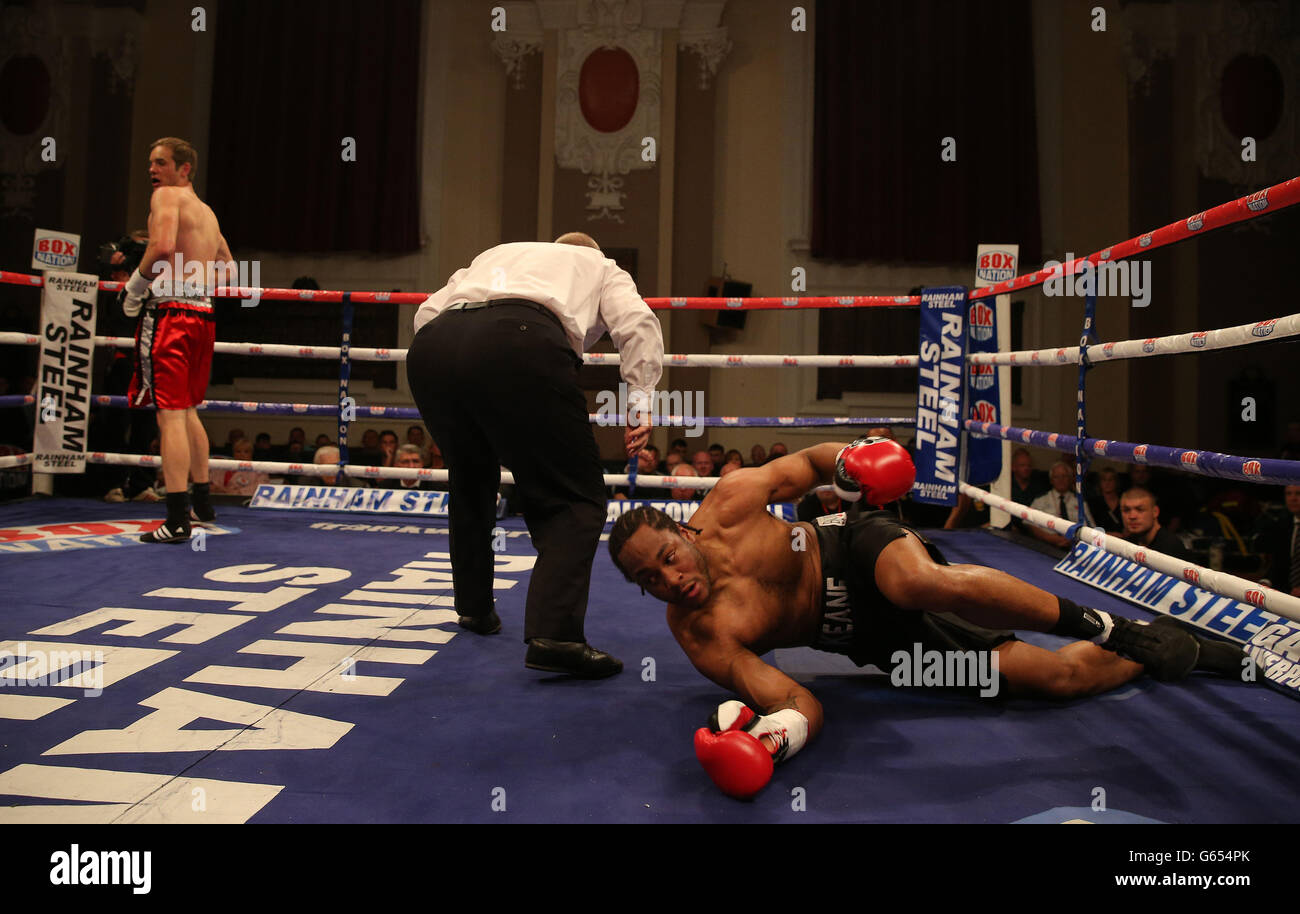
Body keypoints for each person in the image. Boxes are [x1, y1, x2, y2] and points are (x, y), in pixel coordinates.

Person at [607, 439, 1244, 798]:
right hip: (871, 637)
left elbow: (808, 465)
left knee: (917, 581)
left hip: (856, 545)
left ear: (681, 528)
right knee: (1054, 681)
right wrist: (772, 741)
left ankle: (1115, 628)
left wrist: (850, 462)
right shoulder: (700, 634)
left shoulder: (730, 501)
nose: (670, 581)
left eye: (666, 558)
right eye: (649, 582)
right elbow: (800, 700)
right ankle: (1167, 644)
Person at [407, 231, 663, 678]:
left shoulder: (498, 252)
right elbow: (636, 323)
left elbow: (427, 311)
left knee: (470, 480)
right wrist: (640, 400)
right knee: (575, 497)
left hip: (433, 347)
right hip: (520, 341)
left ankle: (473, 608)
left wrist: (458, 368)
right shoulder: (599, 266)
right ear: (590, 252)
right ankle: (556, 635)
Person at [118, 136, 227, 543]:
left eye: (160, 163)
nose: (152, 170)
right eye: (150, 163)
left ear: (184, 169)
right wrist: (194, 280)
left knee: (169, 415)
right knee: (188, 410)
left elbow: (162, 247)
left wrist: (135, 286)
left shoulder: (168, 198)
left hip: (172, 316)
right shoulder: (208, 213)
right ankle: (202, 504)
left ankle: (177, 519)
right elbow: (229, 269)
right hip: (203, 315)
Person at [1028, 462, 1095, 549]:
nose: (1061, 480)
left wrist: (1074, 539)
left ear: (1070, 479)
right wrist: (1050, 538)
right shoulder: (1040, 500)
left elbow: (1091, 528)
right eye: (1057, 477)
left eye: (1064, 476)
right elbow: (1029, 524)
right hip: (1047, 546)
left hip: (1076, 547)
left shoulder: (1080, 502)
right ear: (1051, 480)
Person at [1120, 486, 1190, 560]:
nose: (1132, 516)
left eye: (1140, 510)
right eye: (1126, 510)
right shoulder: (1127, 543)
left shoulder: (1171, 546)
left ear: (1155, 512)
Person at [1259, 485, 1300, 595]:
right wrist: (1266, 581)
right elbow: (1279, 562)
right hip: (1286, 594)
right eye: (1289, 494)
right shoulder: (1283, 524)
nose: (1293, 498)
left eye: (1298, 494)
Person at [1086, 466, 1123, 533]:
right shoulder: (1093, 503)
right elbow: (1091, 526)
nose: (1107, 483)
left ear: (1116, 482)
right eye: (1104, 480)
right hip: (1101, 539)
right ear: (1099, 482)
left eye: (1110, 479)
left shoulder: (1124, 501)